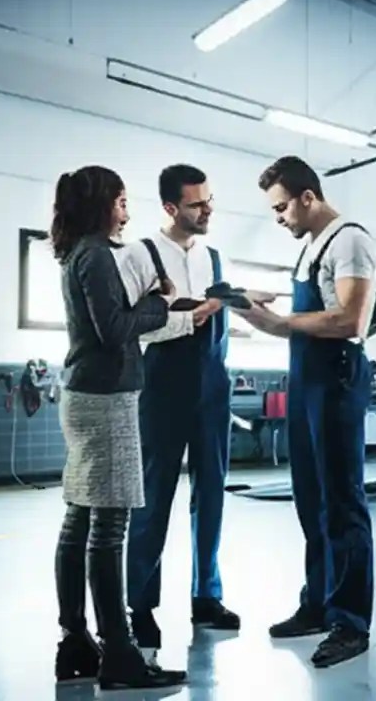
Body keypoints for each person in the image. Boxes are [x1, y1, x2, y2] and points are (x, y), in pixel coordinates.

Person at [117, 164, 268, 659]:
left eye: (209, 201)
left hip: (213, 384)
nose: (207, 211)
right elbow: (134, 329)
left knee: (212, 494)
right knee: (153, 497)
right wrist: (195, 314)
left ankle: (208, 597)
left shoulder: (213, 256)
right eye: (196, 204)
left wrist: (236, 303)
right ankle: (140, 608)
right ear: (169, 208)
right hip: (162, 384)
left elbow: (219, 315)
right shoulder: (140, 254)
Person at [233, 155, 376, 669]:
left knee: (342, 502)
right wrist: (257, 314)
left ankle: (350, 622)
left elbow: (350, 318)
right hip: (305, 380)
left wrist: (282, 324)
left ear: (307, 197)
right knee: (310, 499)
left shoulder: (350, 240)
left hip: (336, 376)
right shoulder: (310, 248)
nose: (279, 218)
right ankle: (318, 602)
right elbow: (298, 319)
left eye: (280, 208)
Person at [49, 165, 188, 690]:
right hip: (107, 399)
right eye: (122, 200)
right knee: (108, 528)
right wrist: (160, 303)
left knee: (80, 520)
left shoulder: (78, 253)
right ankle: (120, 655)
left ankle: (75, 642)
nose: (128, 210)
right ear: (102, 204)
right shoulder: (98, 255)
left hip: (87, 394)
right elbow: (114, 330)